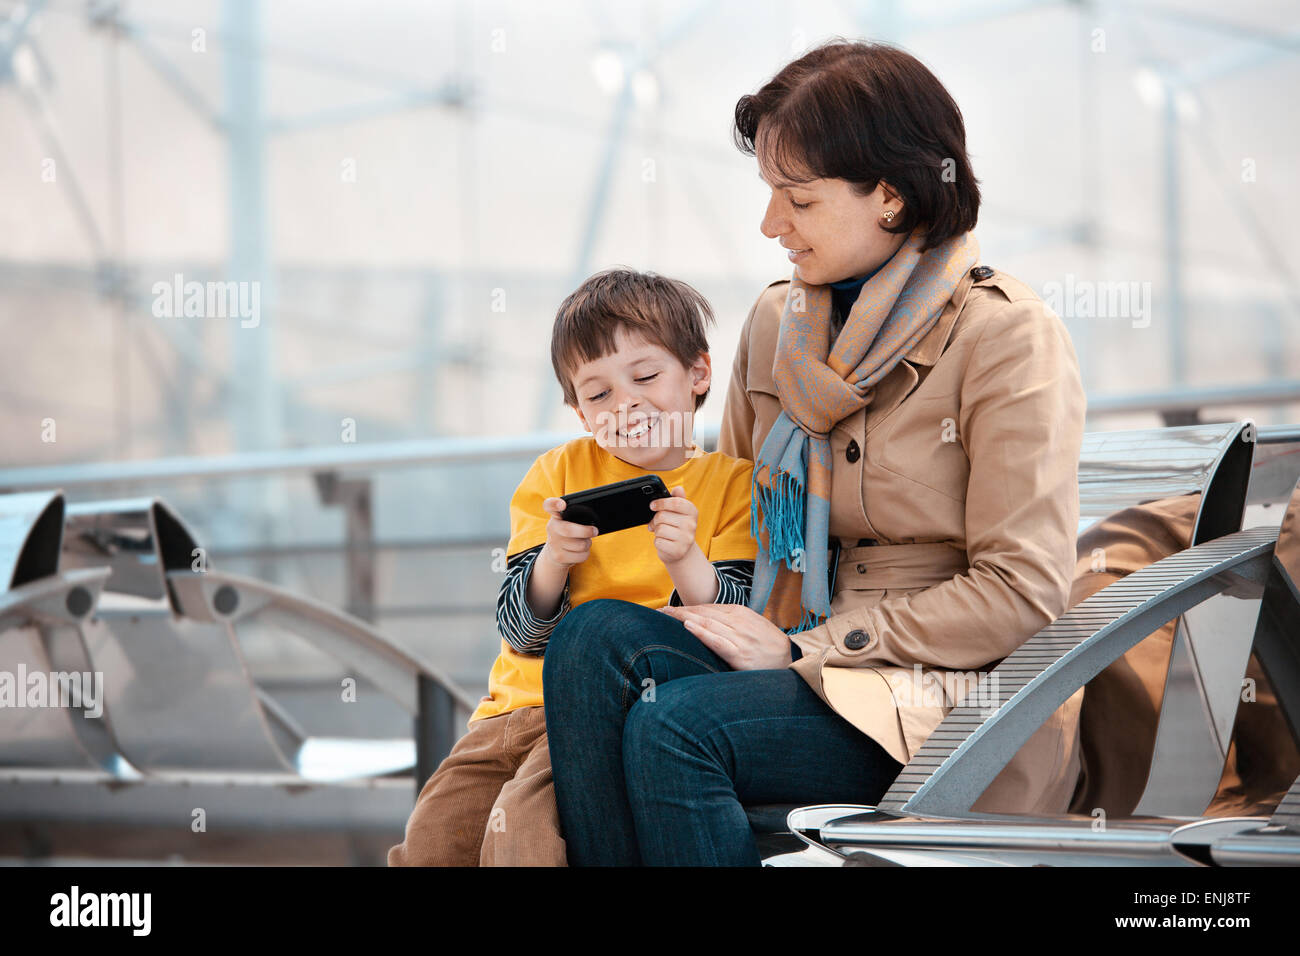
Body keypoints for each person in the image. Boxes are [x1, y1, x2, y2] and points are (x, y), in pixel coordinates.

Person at [542, 39, 1089, 866]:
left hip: (936, 693)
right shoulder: (776, 326)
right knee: (588, 644)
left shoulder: (1003, 335)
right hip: (784, 644)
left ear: (894, 198)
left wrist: (810, 648)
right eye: (768, 194)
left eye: (796, 199)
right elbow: (730, 515)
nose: (770, 225)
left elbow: (1023, 592)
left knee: (674, 727)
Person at [387, 268, 757, 865]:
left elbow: (736, 623)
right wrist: (554, 561)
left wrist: (685, 556)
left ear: (698, 373)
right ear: (579, 411)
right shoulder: (554, 476)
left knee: (522, 839)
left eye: (644, 376)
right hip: (506, 713)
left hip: (592, 717)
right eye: (598, 393)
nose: (626, 402)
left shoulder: (733, 486)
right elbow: (519, 629)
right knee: (433, 837)